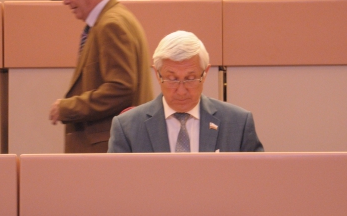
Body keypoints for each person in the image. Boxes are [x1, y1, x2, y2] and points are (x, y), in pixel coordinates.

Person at [49, 0, 154, 153]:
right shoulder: (112, 19)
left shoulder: (111, 25)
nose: (65, 0)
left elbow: (120, 89)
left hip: (108, 149)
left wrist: (68, 108)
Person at [108, 30, 264, 153]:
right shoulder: (127, 128)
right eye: (172, 79)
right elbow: (116, 182)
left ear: (205, 73)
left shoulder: (238, 124)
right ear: (157, 74)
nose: (181, 91)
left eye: (190, 79)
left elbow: (257, 178)